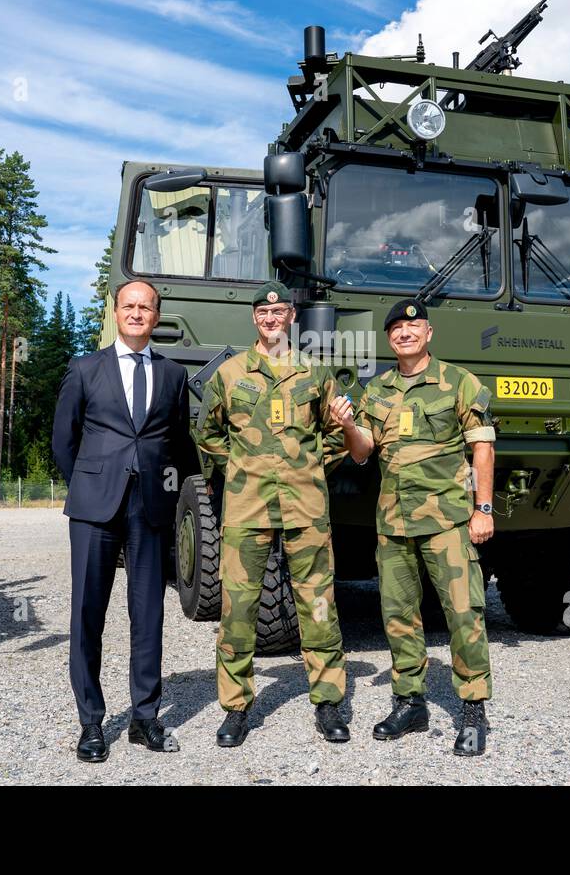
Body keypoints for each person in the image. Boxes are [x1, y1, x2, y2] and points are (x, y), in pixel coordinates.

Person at [196, 281, 365, 747]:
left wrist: (309, 467)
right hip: (247, 507)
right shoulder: (230, 374)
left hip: (305, 506)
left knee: (319, 604)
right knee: (238, 607)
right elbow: (207, 433)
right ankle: (236, 708)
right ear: (255, 318)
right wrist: (239, 467)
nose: (271, 319)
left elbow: (335, 435)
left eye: (280, 312)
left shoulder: (316, 374)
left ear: (292, 317)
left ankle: (329, 701)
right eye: (263, 313)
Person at [53, 279, 197, 763]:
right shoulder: (84, 368)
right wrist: (89, 484)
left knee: (149, 615)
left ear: (157, 316)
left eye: (146, 307)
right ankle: (91, 723)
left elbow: (179, 444)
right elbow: (63, 441)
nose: (137, 314)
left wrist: (183, 490)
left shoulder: (174, 376)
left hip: (151, 507)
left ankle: (145, 718)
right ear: (116, 313)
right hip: (95, 507)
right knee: (88, 613)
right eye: (129, 306)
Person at [345, 298, 496, 756]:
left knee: (464, 613)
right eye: (396, 330)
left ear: (428, 334)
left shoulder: (458, 383)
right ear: (389, 338)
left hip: (448, 520)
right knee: (398, 616)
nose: (405, 334)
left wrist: (483, 509)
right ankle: (410, 702)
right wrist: (349, 424)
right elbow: (361, 453)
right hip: (392, 523)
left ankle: (473, 710)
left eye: (413, 328)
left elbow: (483, 450)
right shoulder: (378, 391)